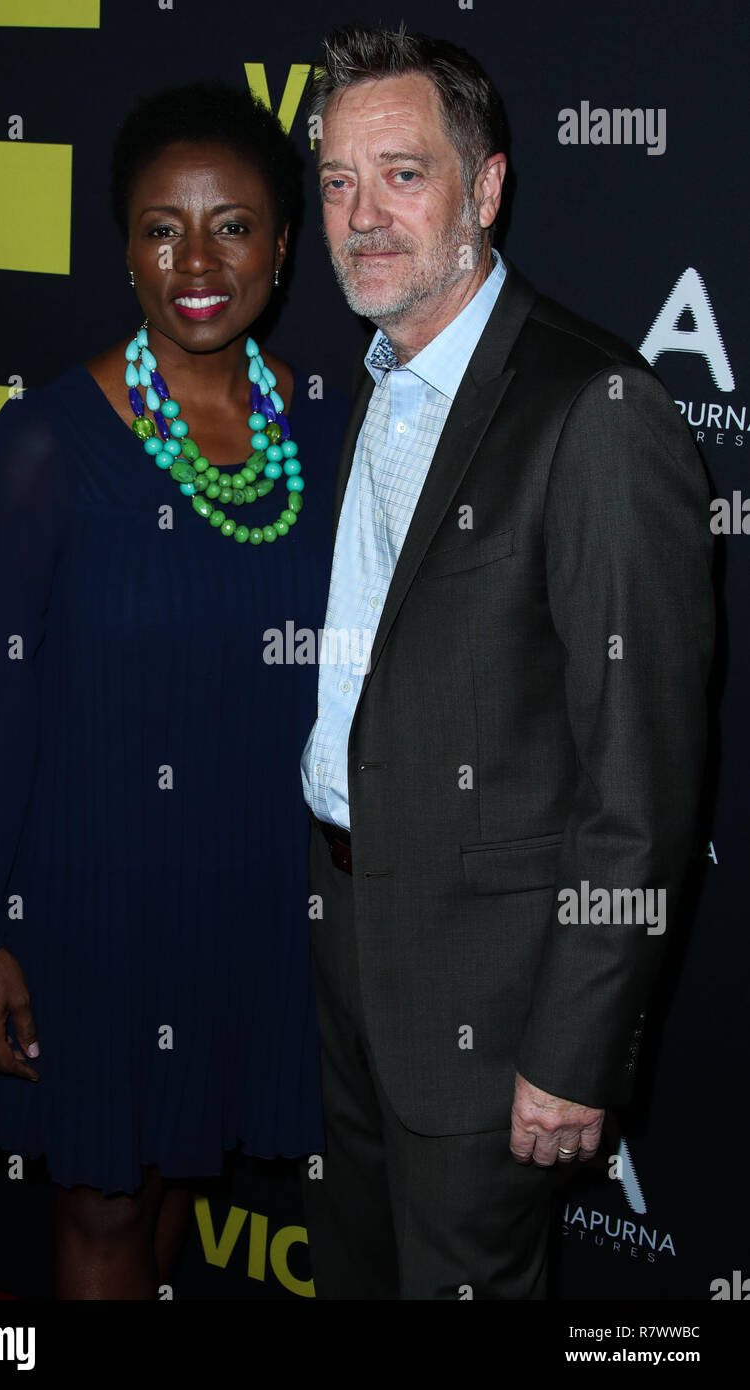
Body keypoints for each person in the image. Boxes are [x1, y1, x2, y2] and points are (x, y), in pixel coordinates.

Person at [299, 23, 715, 1300]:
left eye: (402, 174)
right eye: (334, 181)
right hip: (355, 945)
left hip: (495, 1002)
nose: (361, 215)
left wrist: (576, 1046)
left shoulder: (595, 415)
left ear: (483, 189)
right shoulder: (381, 378)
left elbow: (638, 787)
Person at [0, 81, 349, 1300]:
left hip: (248, 896)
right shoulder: (49, 445)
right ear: (125, 247)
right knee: (106, 1208)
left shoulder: (319, 434)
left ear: (283, 243)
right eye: (164, 227)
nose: (197, 260)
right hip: (94, 909)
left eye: (234, 224)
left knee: (174, 1182)